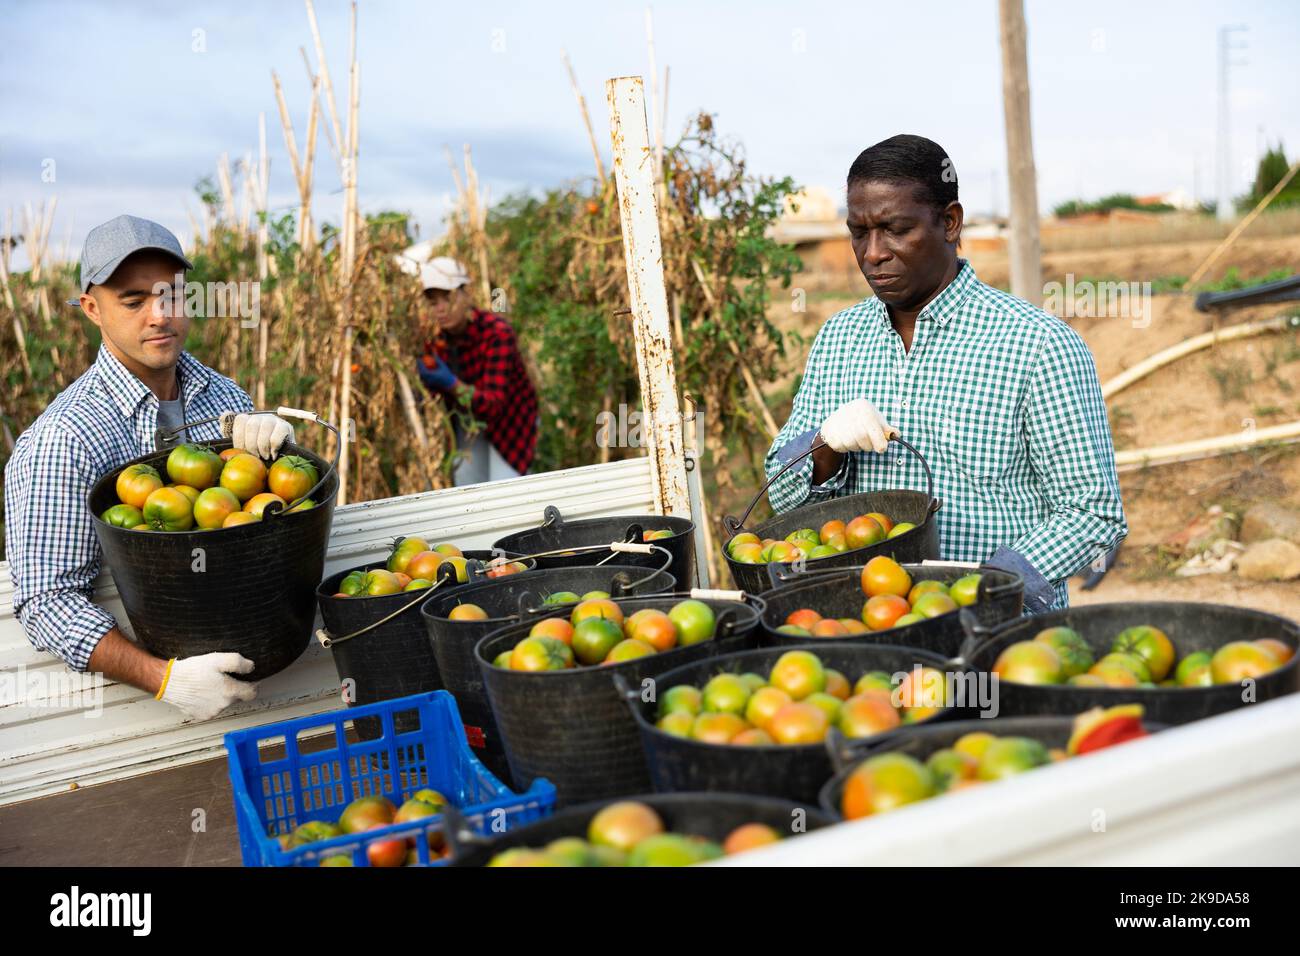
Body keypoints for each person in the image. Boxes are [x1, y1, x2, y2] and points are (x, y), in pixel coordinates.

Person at [766, 135, 1127, 615]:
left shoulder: (1038, 345)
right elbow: (781, 498)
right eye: (859, 232)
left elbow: (1091, 512)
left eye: (895, 229)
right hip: (866, 621)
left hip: (997, 632)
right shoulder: (840, 339)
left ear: (950, 223)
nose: (872, 253)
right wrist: (824, 445)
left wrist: (983, 589)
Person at [4, 215, 298, 720]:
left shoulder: (227, 398)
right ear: (93, 309)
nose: (160, 315)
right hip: (151, 712)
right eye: (134, 301)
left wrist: (285, 455)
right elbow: (47, 600)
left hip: (275, 668)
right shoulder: (65, 439)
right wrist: (164, 680)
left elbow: (263, 521)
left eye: (172, 295)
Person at [414, 257, 538, 484]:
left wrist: (450, 382)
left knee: (507, 493)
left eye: (448, 297)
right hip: (470, 423)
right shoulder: (434, 340)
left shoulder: (496, 334)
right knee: (469, 492)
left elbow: (493, 405)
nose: (442, 309)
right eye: (433, 302)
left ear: (466, 295)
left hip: (511, 423)